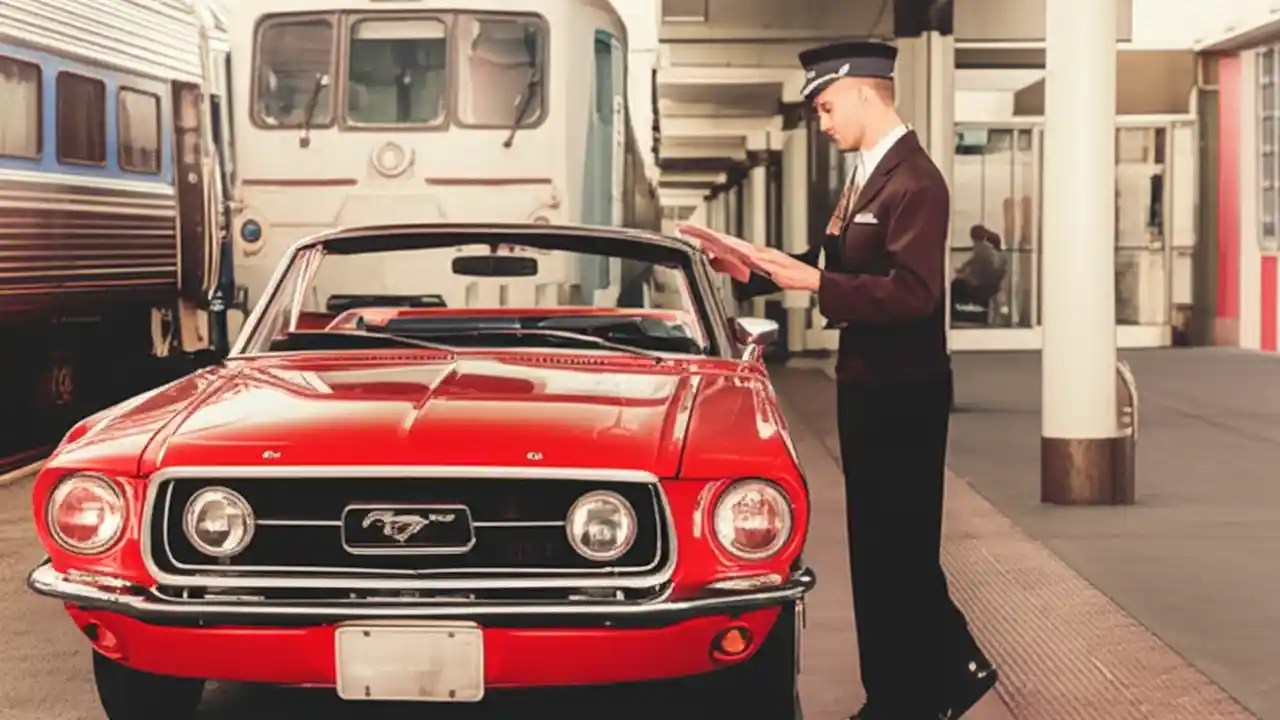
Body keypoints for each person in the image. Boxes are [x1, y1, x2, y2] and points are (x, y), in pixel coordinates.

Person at [711, 41, 998, 719]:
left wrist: (816, 282)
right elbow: (837, 262)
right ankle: (911, 688)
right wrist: (754, 270)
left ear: (867, 93)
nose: (823, 121)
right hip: (868, 381)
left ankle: (920, 691)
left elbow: (916, 293)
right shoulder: (867, 177)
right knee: (876, 548)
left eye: (828, 106)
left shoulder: (915, 182)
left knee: (900, 548)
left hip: (904, 389)